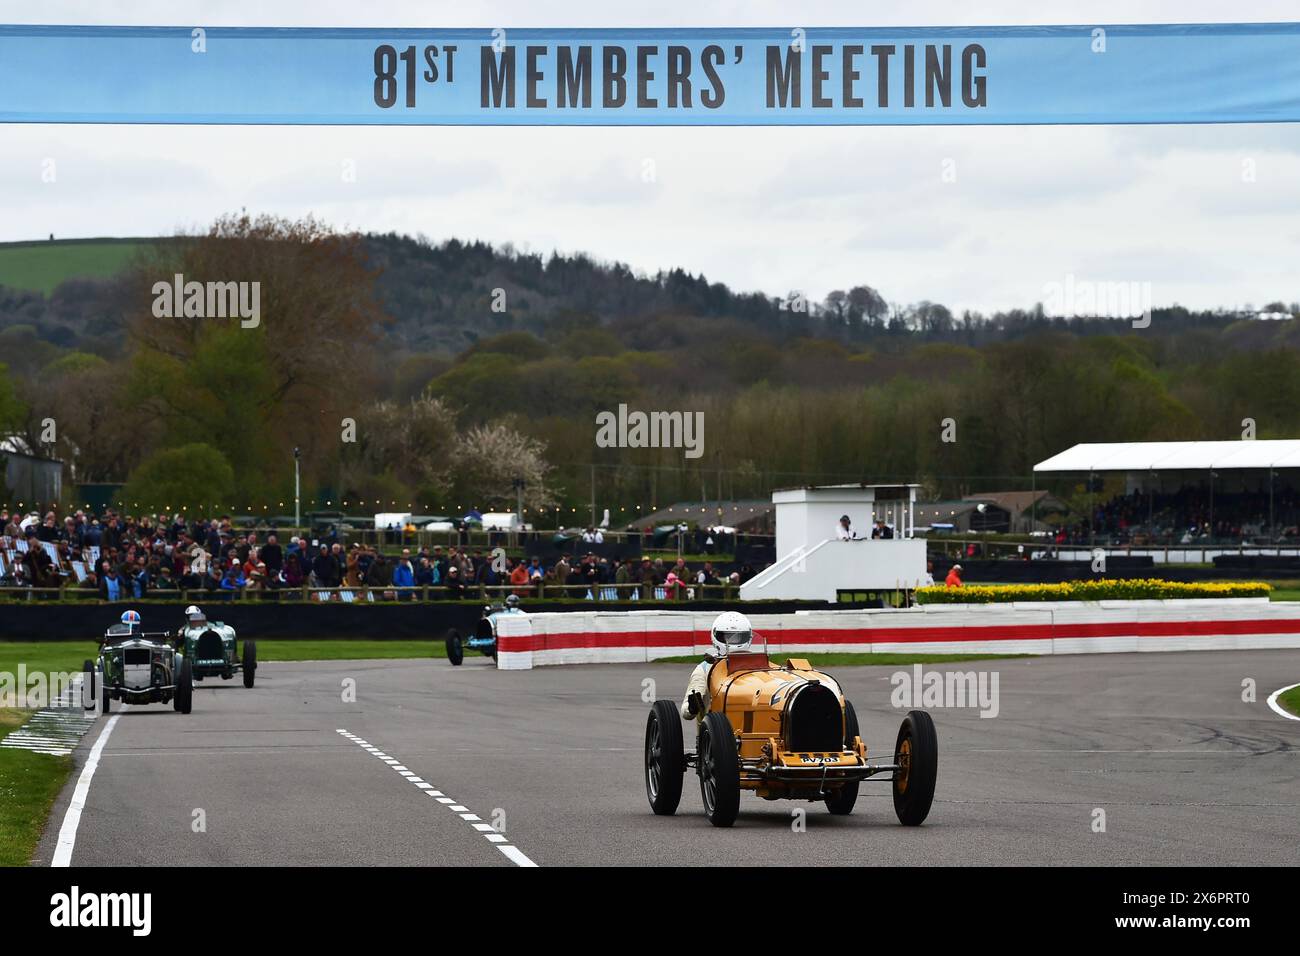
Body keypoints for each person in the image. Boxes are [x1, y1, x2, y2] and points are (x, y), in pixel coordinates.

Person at [680, 611, 754, 720]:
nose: (732, 642)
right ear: (716, 636)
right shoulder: (704, 669)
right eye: (727, 637)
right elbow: (686, 712)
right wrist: (692, 707)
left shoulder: (758, 665)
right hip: (714, 728)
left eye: (738, 637)